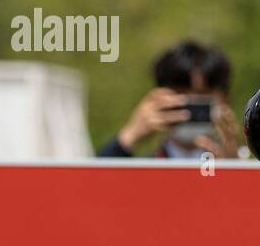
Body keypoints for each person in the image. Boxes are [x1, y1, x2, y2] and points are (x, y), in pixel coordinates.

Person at [98, 41, 243, 159]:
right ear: (158, 97)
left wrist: (234, 171)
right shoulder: (142, 172)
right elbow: (89, 187)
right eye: (180, 93)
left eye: (203, 94)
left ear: (225, 99)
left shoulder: (254, 169)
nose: (190, 102)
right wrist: (130, 135)